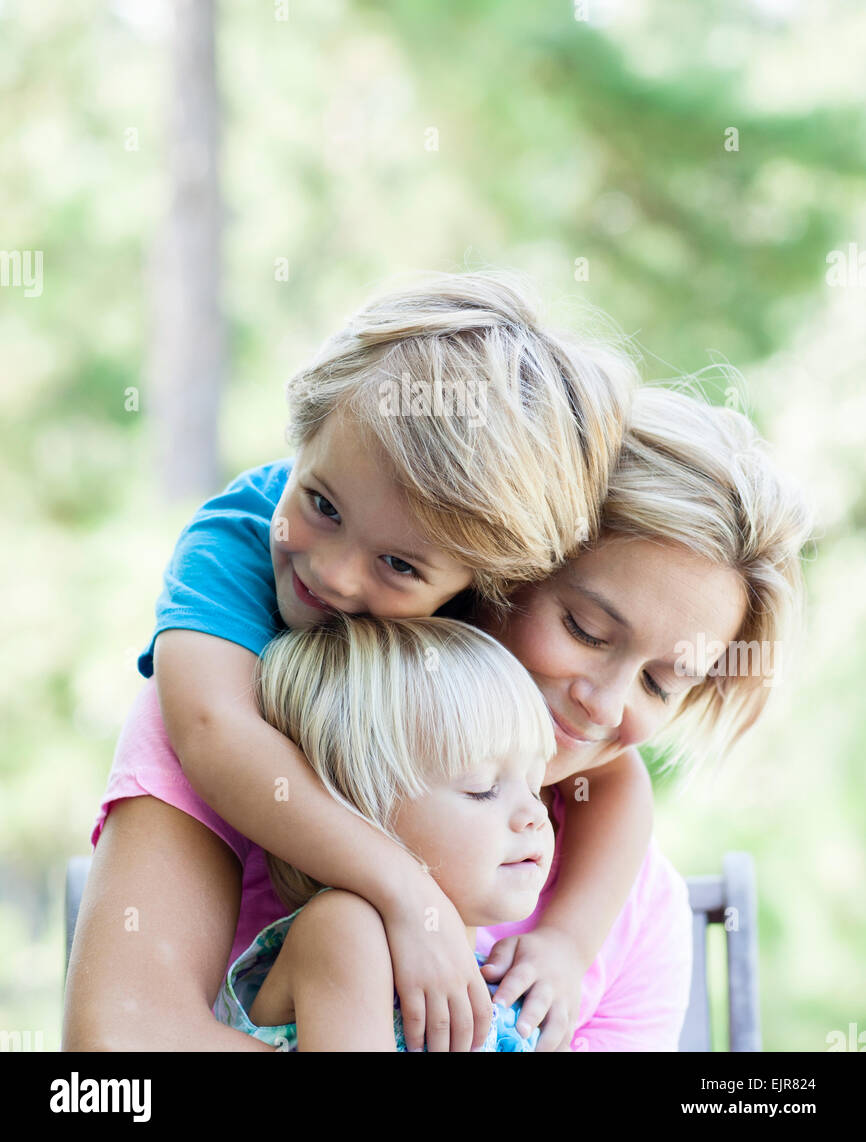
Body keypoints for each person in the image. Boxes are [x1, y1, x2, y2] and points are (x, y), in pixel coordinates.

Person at [62, 382, 811, 1052]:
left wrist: (571, 939)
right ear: (490, 560)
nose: (607, 706)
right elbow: (117, 1051)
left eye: (660, 683)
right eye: (583, 629)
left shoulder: (627, 905)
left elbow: (621, 781)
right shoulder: (246, 734)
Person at [131, 267, 655, 1050]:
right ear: (303, 435)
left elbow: (616, 778)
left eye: (401, 566)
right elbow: (212, 729)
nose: (334, 574)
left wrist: (569, 944)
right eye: (321, 504)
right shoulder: (237, 540)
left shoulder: (473, 615)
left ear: (482, 587)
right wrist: (409, 893)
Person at [212, 613, 557, 1051]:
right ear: (357, 814)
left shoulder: (508, 980)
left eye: (535, 786)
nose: (534, 814)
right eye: (482, 788)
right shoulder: (342, 929)